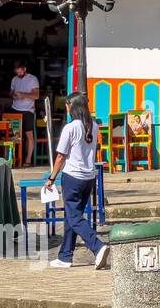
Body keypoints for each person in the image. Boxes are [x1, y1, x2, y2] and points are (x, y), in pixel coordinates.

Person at [44, 93, 109, 269]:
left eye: (67, 106)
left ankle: (97, 246)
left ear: (73, 107)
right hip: (88, 177)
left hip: (72, 177)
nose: (66, 109)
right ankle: (65, 256)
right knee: (72, 216)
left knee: (73, 216)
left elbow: (60, 157)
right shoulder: (93, 126)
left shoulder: (70, 128)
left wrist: (51, 178)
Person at [9, 59, 40, 165]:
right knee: (14, 136)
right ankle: (14, 159)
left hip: (28, 111)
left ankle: (28, 160)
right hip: (15, 109)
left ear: (24, 69)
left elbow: (36, 95)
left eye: (20, 71)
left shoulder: (33, 79)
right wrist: (13, 95)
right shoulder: (14, 79)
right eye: (16, 71)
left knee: (29, 136)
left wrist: (23, 95)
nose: (18, 73)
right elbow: (11, 93)